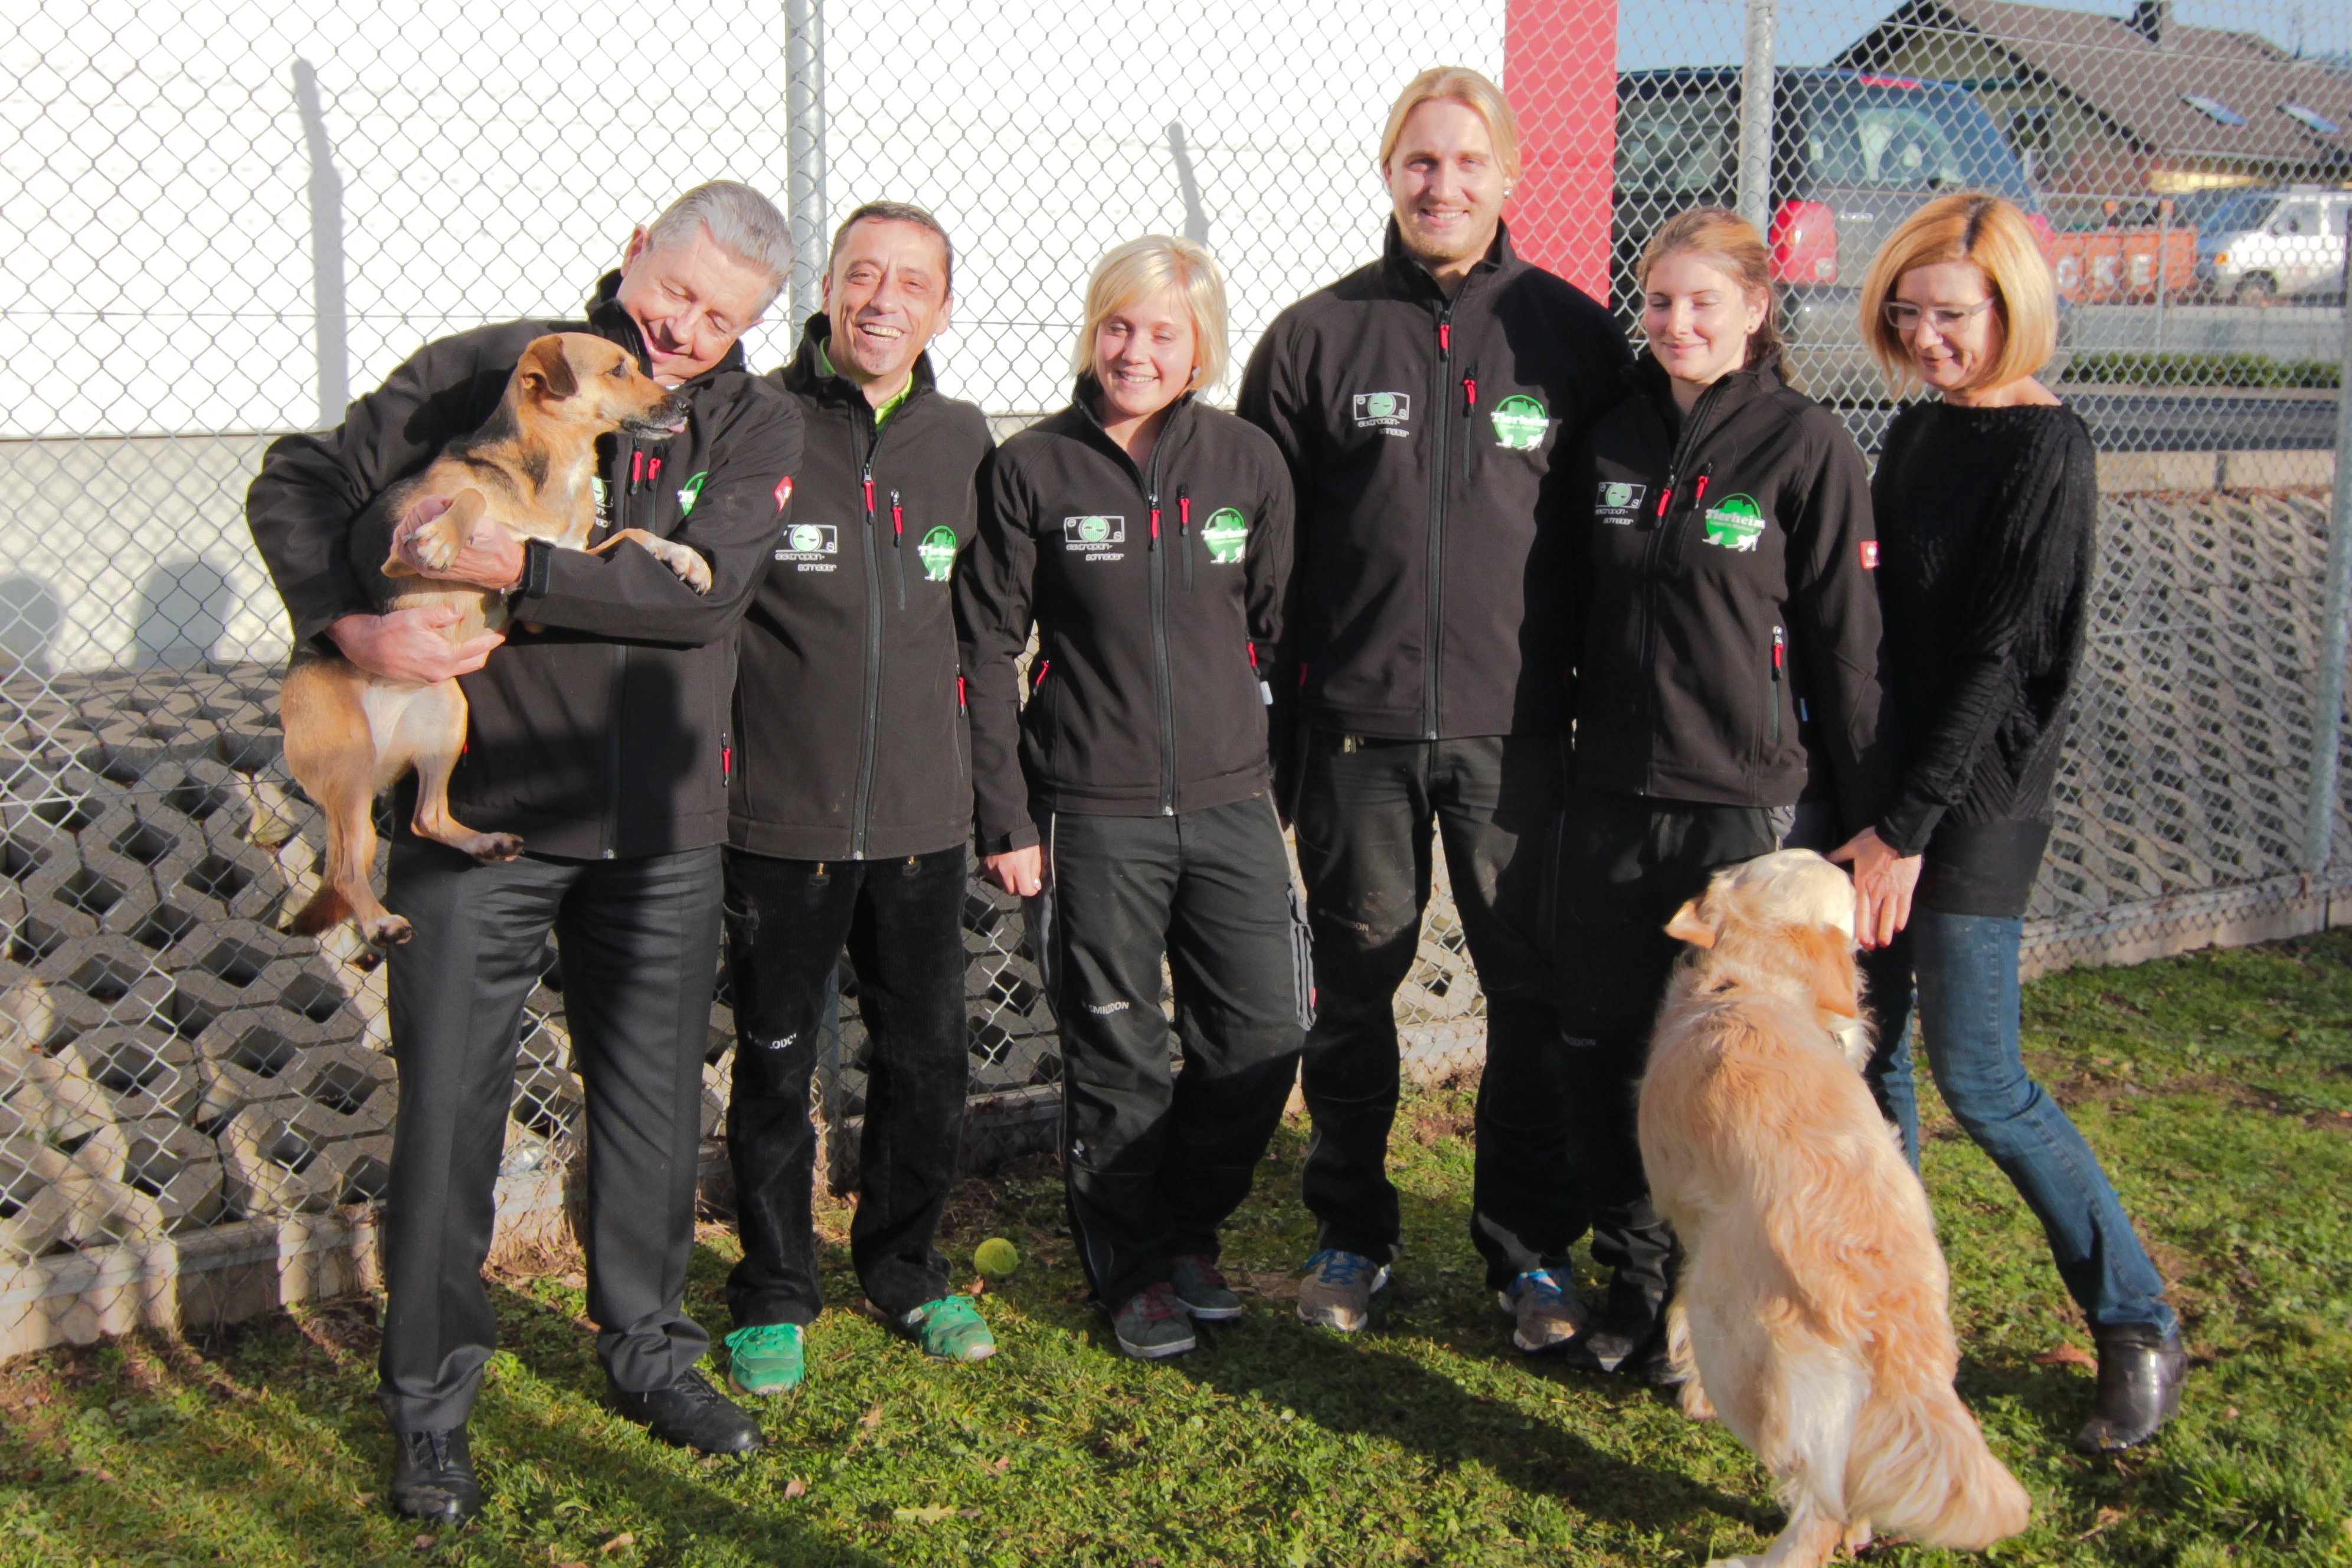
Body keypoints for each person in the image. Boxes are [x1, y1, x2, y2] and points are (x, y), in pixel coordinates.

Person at [246, 182, 804, 1523]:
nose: (683, 334)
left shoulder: (751, 420)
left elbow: (710, 595)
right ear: (631, 257)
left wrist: (516, 567)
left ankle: (650, 1354)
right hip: (484, 820)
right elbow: (298, 476)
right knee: (446, 1114)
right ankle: (430, 1403)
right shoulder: (496, 372)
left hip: (664, 827)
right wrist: (347, 623)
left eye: (721, 320)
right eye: (673, 296)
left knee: (652, 1112)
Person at [1236, 67, 1632, 1348]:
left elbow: (1615, 543)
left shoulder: (1572, 338)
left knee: (1530, 996)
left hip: (1519, 738)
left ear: (1511, 175)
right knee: (1354, 990)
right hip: (1356, 733)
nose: (1442, 185)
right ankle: (1351, 1231)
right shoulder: (1314, 339)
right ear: (1388, 171)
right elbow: (1265, 560)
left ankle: (1528, 1252)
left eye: (1467, 163)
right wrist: (1280, 732)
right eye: (1419, 162)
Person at [1852, 191, 2184, 1453]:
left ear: (2011, 309)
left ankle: (2135, 1317)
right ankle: (1897, 1328)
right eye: (1908, 311)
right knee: (1872, 1061)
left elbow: (2000, 660)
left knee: (1980, 1080)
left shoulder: (2051, 449)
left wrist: (1911, 831)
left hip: (1976, 803)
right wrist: (1873, 808)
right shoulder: (1918, 429)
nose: (1928, 336)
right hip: (1888, 795)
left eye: (1953, 314)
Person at [1555, 206, 1904, 1379]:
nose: (1676, 323)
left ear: (1757, 309)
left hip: (1741, 815)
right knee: (1612, 1050)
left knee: (1739, 1073)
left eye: (1703, 302)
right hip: (1607, 791)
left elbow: (1847, 653)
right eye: (1658, 302)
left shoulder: (1805, 447)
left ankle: (1731, 1305)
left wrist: (1867, 822)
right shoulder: (1607, 438)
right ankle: (1636, 1281)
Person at [958, 235, 1304, 1361]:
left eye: (1162, 332)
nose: (1135, 351)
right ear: (1091, 332)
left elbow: (1281, 627)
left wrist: (1278, 778)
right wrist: (1005, 817)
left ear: (1199, 344)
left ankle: (1187, 1226)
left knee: (1263, 1030)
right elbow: (985, 647)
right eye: (1117, 325)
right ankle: (1133, 1271)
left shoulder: (1247, 462)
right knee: (1117, 1054)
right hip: (1088, 806)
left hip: (1230, 801)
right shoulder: (1033, 469)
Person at [719, 201, 997, 1397]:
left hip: (925, 824)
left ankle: (905, 1267)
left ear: (942, 305)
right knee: (780, 1062)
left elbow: (987, 634)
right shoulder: (758, 426)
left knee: (926, 1060)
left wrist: (1001, 802)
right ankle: (776, 1288)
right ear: (826, 290)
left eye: (912, 282)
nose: (885, 300)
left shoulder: (966, 440)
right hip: (782, 819)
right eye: (862, 275)